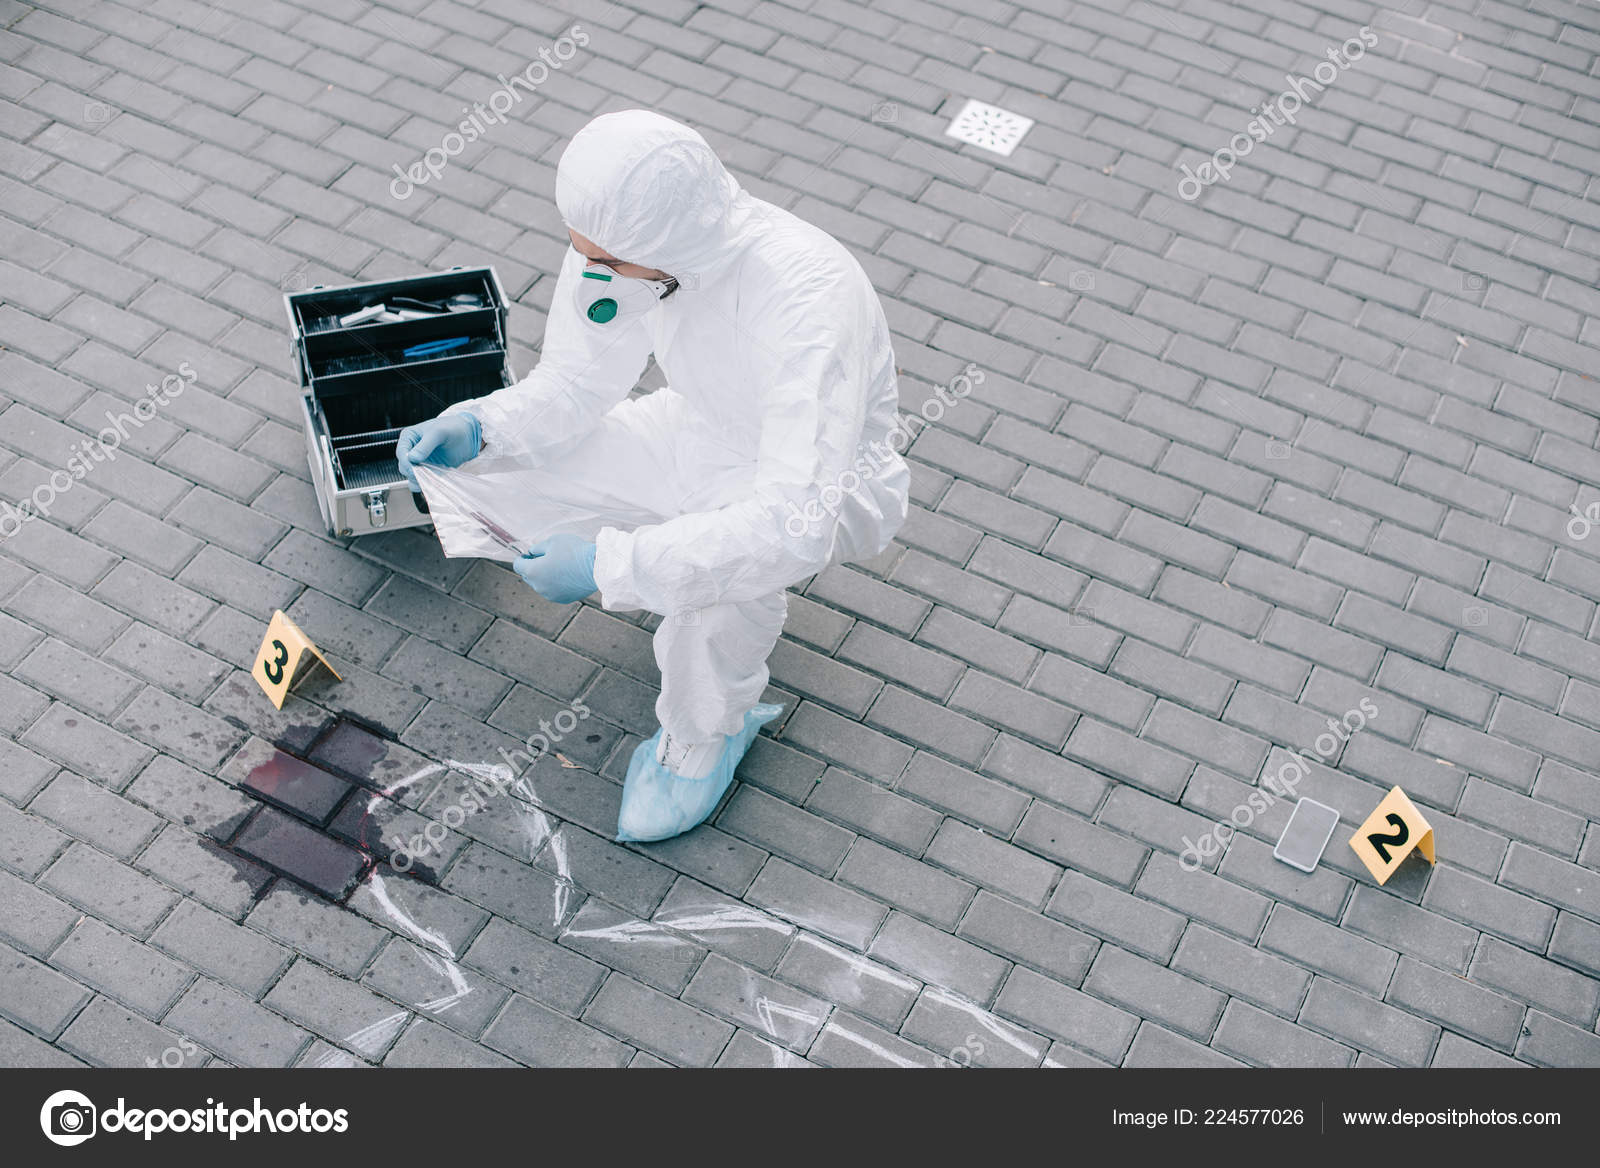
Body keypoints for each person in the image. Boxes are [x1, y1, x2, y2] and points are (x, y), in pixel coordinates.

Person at [396, 109, 909, 843]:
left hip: (817, 486)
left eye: (605, 259)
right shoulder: (630, 243)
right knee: (491, 468)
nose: (591, 270)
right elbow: (576, 384)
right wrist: (481, 426)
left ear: (667, 245)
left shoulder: (807, 300)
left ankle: (704, 736)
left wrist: (612, 564)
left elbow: (792, 522)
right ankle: (664, 566)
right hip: (697, 427)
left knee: (716, 594)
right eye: (583, 252)